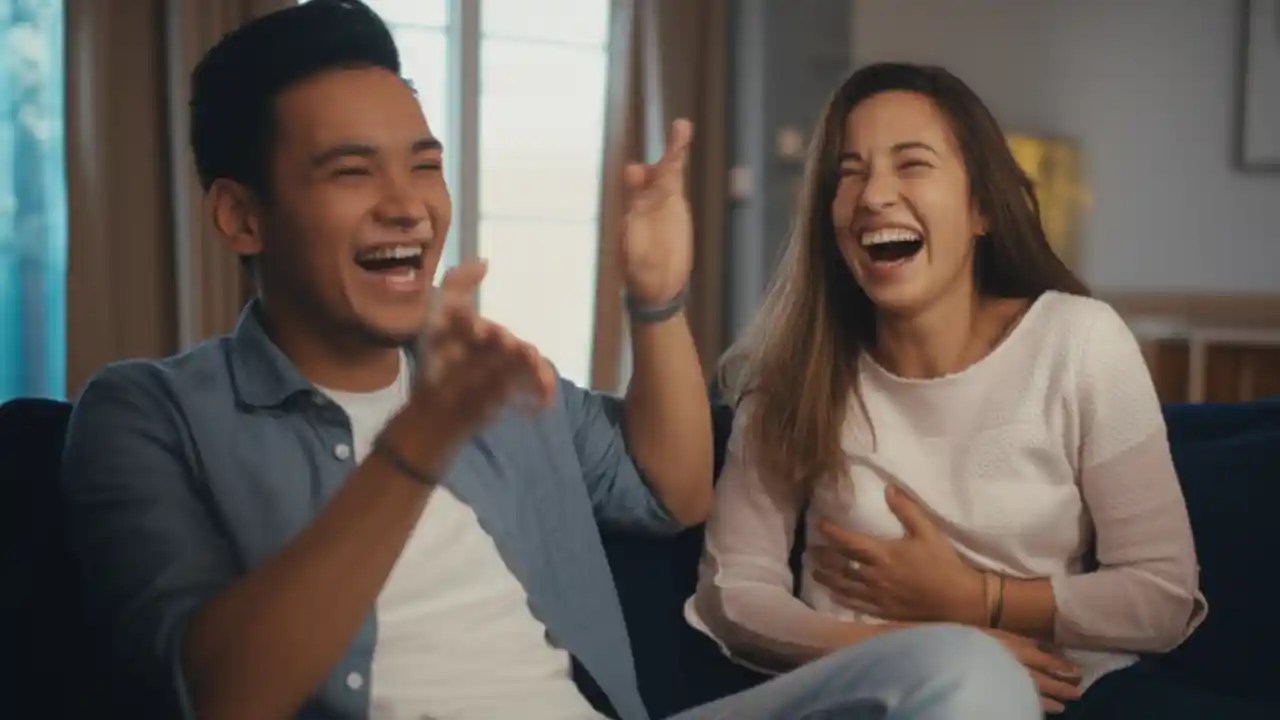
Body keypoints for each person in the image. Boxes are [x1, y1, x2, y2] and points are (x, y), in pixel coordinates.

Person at [60, 4, 1039, 719]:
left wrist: (653, 299)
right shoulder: (149, 414)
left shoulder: (492, 383)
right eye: (351, 172)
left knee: (960, 672)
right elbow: (219, 694)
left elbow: (675, 494)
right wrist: (415, 444)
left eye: (425, 164)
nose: (408, 204)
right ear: (241, 216)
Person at [687, 60, 1264, 720]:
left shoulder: (1078, 341)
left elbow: (1162, 597)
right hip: (868, 692)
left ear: (982, 207)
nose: (874, 194)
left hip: (1069, 693)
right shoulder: (794, 372)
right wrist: (915, 646)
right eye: (849, 173)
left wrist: (978, 599)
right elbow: (734, 594)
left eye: (911, 164)